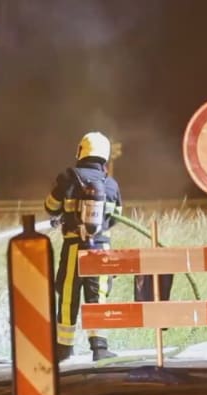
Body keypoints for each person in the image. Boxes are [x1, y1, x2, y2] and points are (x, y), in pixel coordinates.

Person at [44, 131, 123, 362]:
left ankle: (63, 348)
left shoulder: (68, 177)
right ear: (105, 155)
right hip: (100, 249)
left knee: (68, 293)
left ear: (81, 151)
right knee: (97, 296)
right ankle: (99, 348)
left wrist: (64, 214)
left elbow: (50, 206)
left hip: (72, 247)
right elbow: (117, 217)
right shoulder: (111, 184)